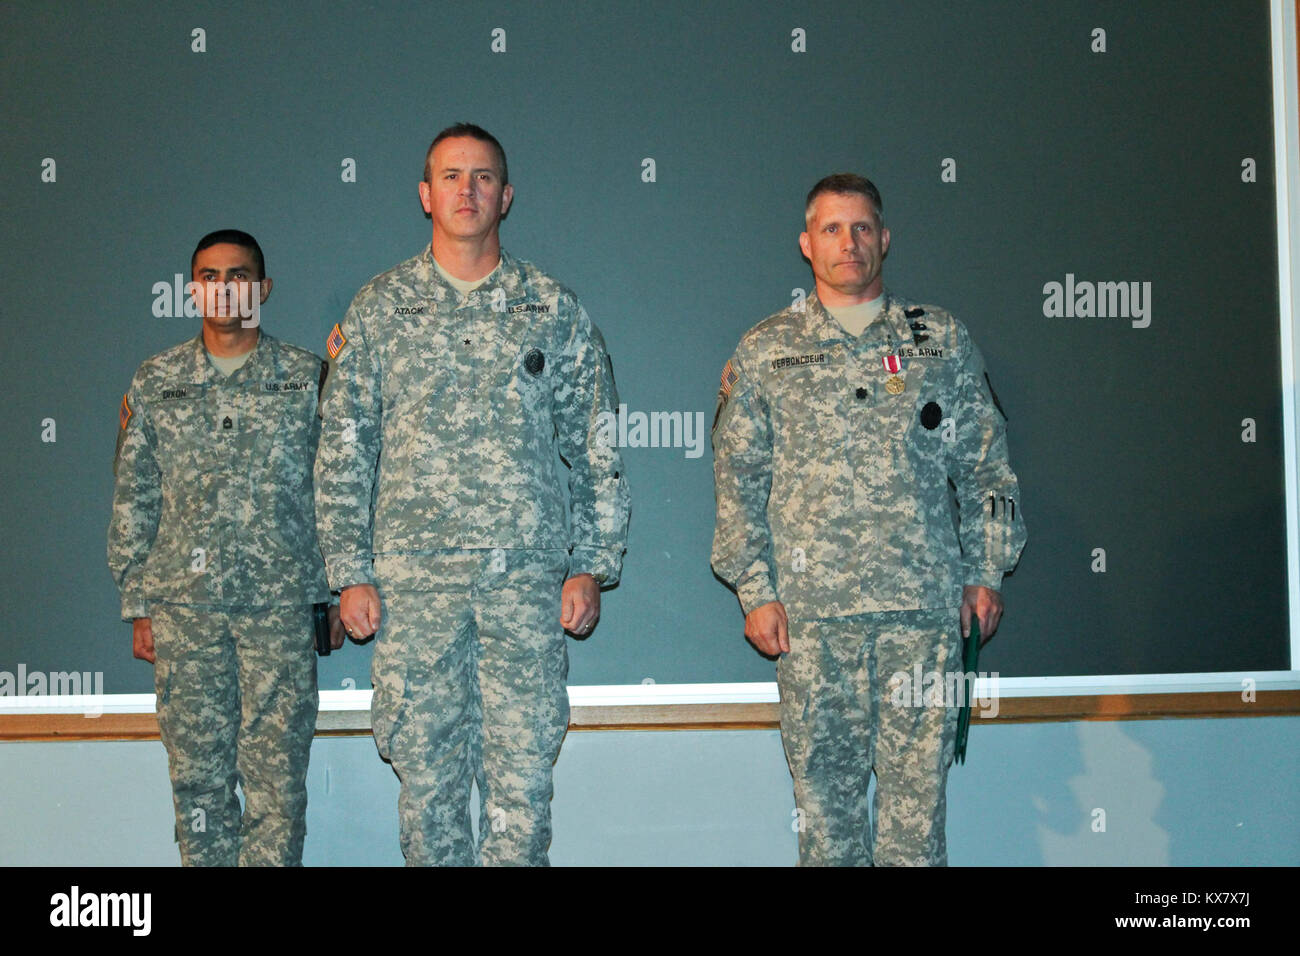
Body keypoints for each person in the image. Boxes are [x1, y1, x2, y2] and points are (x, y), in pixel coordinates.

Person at [314, 123, 630, 866]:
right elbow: (343, 448)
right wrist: (348, 571)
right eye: (451, 176)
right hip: (412, 584)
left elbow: (596, 443)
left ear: (506, 196)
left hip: (525, 582)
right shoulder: (381, 309)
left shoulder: (549, 308)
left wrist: (590, 562)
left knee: (522, 785)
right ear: (426, 194)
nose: (467, 190)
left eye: (483, 177)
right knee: (428, 788)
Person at [711, 174, 1026, 866]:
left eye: (861, 229)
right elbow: (738, 480)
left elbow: (985, 468)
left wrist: (985, 572)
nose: (847, 243)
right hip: (812, 623)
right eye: (831, 229)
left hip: (923, 616)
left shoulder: (938, 341)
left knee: (916, 828)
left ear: (883, 240)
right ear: (806, 245)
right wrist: (755, 590)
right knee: (826, 826)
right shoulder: (767, 350)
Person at [108, 229, 342, 866]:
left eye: (239, 275)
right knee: (199, 783)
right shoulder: (156, 382)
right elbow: (134, 497)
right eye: (209, 276)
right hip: (186, 615)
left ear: (262, 290)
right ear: (192, 291)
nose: (224, 288)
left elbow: (339, 491)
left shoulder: (306, 380)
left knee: (275, 785)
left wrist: (339, 589)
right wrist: (140, 603)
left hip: (281, 612)